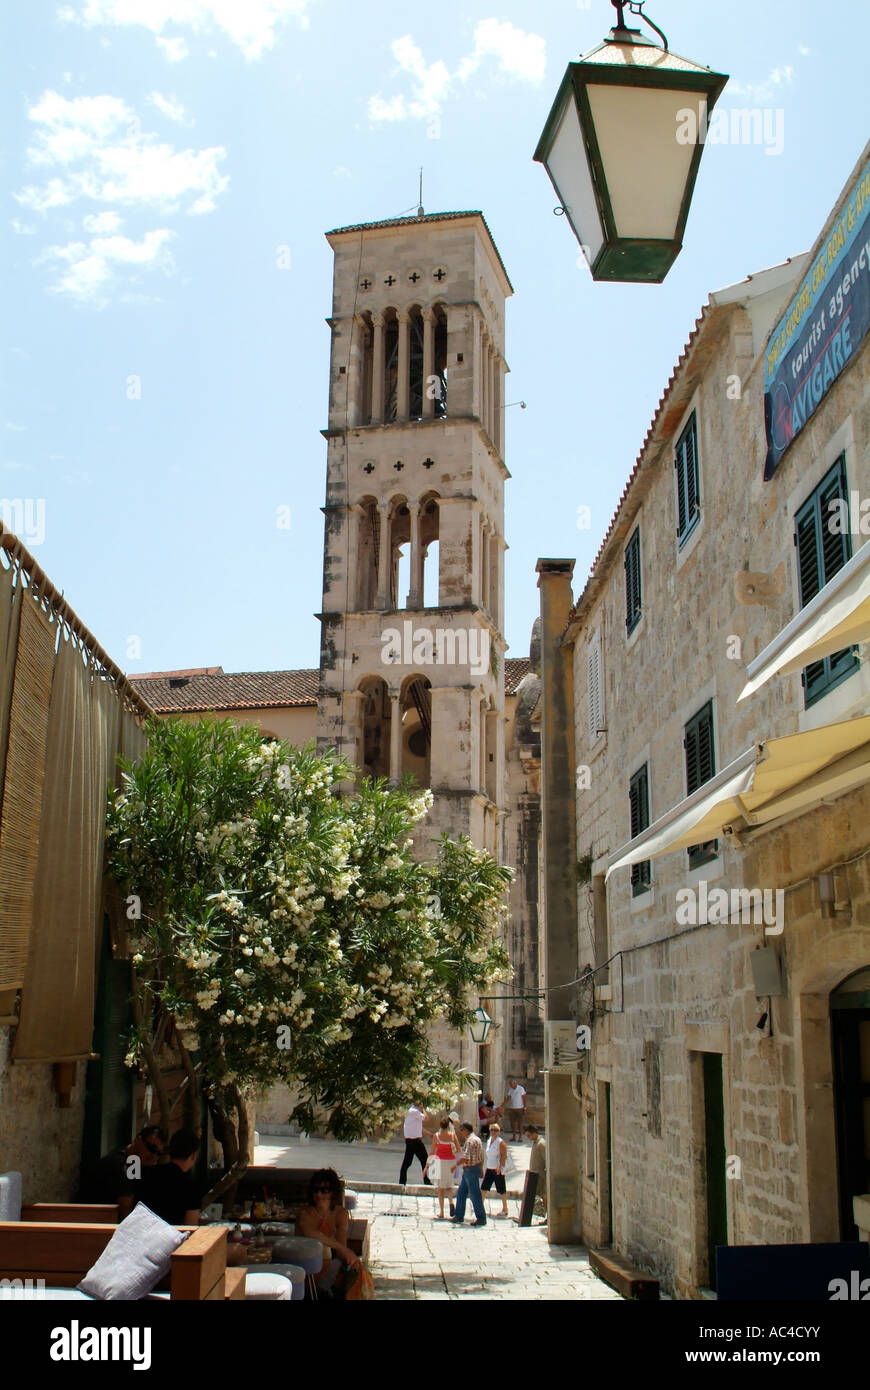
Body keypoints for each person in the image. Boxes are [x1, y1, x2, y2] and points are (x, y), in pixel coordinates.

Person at [295, 1168, 361, 1298]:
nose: (319, 1194)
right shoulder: (305, 1214)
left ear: (333, 1193)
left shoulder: (340, 1213)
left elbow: (342, 1251)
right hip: (305, 1267)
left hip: (328, 1268)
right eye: (316, 1190)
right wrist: (343, 1249)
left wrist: (350, 1260)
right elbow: (312, 1234)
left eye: (324, 1190)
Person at [79, 1124, 166, 1218]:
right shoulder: (120, 1163)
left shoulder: (133, 1162)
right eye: (151, 1148)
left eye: (158, 1153)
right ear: (138, 1140)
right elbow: (126, 1210)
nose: (153, 1156)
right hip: (92, 1219)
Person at [141, 1128, 202, 1226]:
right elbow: (190, 1227)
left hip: (143, 1235)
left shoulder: (148, 1173)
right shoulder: (191, 1187)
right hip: (171, 1239)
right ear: (193, 1155)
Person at [424, 1115, 461, 1219]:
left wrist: (427, 1165)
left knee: (440, 1188)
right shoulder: (453, 1135)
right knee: (449, 1185)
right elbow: (459, 1150)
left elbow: (432, 1152)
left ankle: (441, 1212)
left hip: (440, 1162)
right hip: (451, 1162)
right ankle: (451, 1202)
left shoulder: (436, 1136)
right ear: (448, 1126)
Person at [450, 1122, 486, 1227]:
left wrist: (455, 1165)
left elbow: (466, 1157)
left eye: (461, 1130)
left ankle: (481, 1218)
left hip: (470, 1170)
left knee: (474, 1195)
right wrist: (481, 1168)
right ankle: (459, 1215)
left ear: (465, 1130)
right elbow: (481, 1156)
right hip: (471, 1169)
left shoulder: (470, 1141)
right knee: (461, 1193)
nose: (461, 1133)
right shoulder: (477, 1139)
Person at [399, 1099, 433, 1186]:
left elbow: (418, 1127)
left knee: (408, 1162)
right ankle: (426, 1180)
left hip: (411, 1140)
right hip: (415, 1141)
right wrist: (423, 1109)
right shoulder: (415, 1111)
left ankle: (402, 1182)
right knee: (424, 1159)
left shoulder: (411, 1111)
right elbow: (427, 1118)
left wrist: (429, 1134)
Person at [481, 1123, 509, 1217]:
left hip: (497, 1168)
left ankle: (505, 1209)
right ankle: (480, 1206)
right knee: (484, 1187)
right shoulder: (489, 1140)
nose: (493, 1132)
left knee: (501, 1189)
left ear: (498, 1132)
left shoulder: (500, 1142)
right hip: (489, 1167)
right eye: (491, 1130)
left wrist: (500, 1167)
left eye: (495, 1130)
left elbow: (504, 1155)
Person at [525, 1124, 547, 1222]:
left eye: (529, 1135)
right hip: (534, 1175)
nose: (528, 1138)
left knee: (544, 1196)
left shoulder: (541, 1144)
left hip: (540, 1175)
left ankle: (548, 1217)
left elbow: (546, 1160)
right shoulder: (535, 1143)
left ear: (534, 1133)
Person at [505, 1078, 527, 1142]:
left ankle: (520, 1137)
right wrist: (502, 1106)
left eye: (511, 1085)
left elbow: (524, 1099)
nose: (511, 1086)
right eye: (510, 1085)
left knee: (520, 1123)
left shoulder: (521, 1089)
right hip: (512, 1108)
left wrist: (525, 1108)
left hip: (520, 1108)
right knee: (512, 1123)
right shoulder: (510, 1090)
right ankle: (514, 1136)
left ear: (515, 1083)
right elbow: (507, 1099)